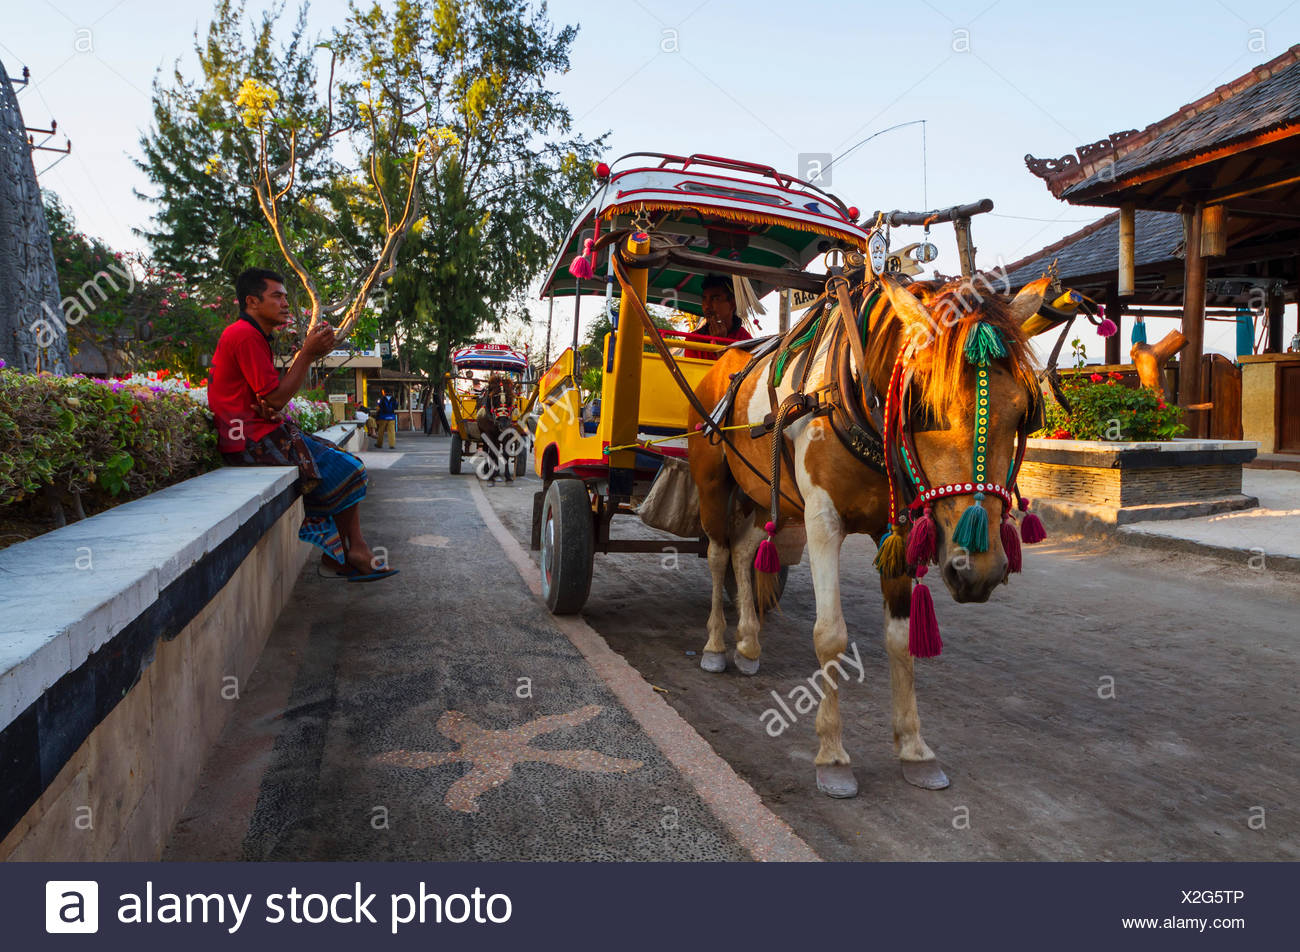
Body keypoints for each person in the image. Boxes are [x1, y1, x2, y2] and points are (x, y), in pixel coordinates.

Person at [209, 268, 397, 582]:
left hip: (259, 431)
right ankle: (351, 552)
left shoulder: (252, 335)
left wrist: (271, 406)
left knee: (344, 465)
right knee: (350, 469)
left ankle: (343, 554)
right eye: (277, 296)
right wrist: (306, 354)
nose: (285, 303)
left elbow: (268, 399)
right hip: (249, 442)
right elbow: (275, 398)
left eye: (285, 296)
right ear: (252, 301)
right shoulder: (244, 335)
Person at [683, 274, 752, 359]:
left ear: (732, 304)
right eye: (704, 299)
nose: (707, 306)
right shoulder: (693, 339)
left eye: (715, 299)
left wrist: (721, 344)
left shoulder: (745, 340)